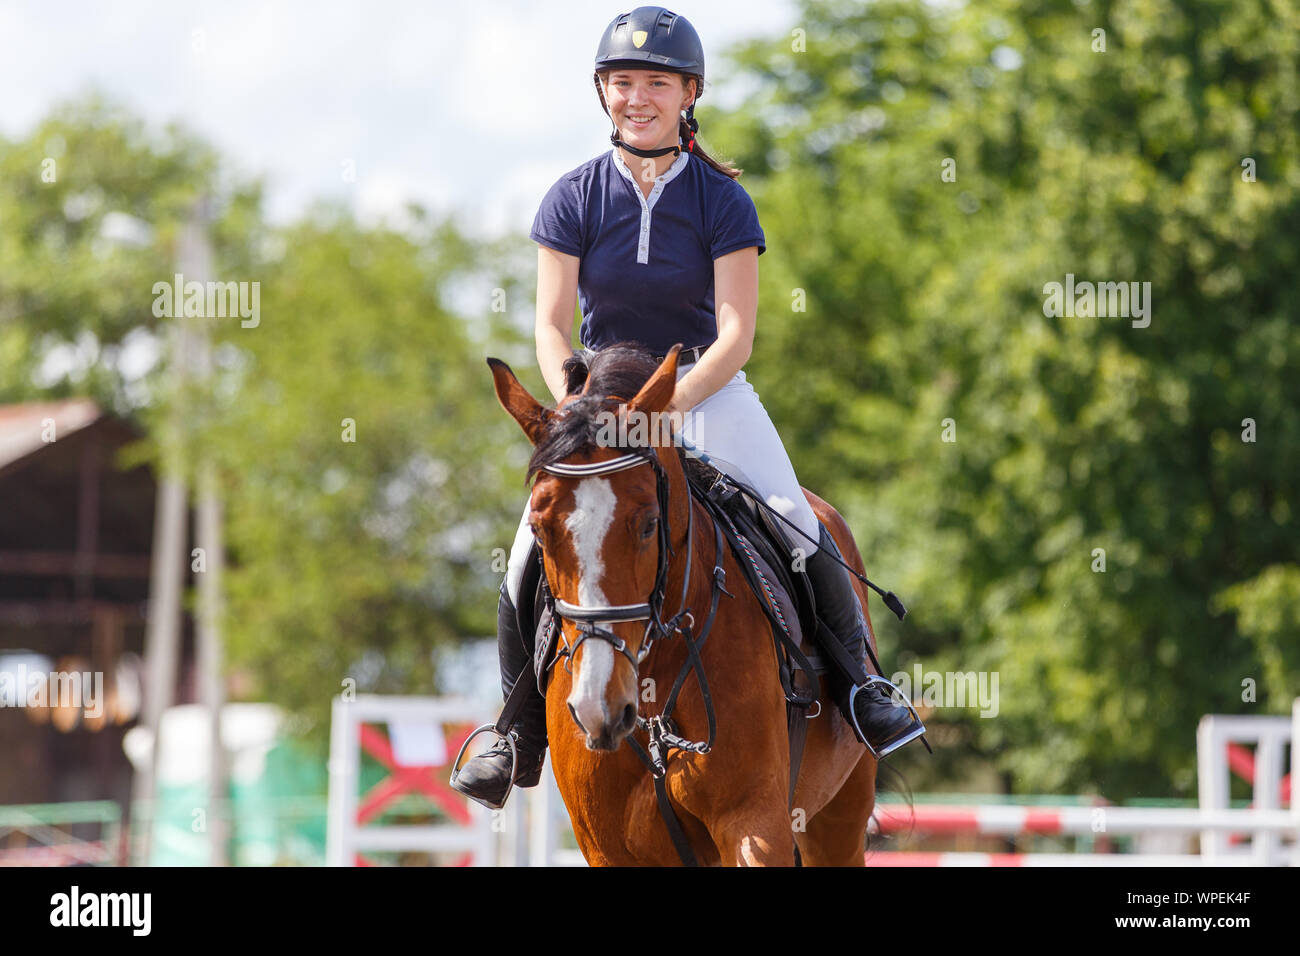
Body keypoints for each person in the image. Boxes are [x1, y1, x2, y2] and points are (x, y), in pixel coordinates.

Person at [452, 5, 925, 811]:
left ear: (688, 93)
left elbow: (737, 334)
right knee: (531, 550)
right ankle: (515, 730)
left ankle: (862, 692)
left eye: (657, 83)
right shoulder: (571, 196)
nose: (639, 97)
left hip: (705, 390)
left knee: (797, 521)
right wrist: (579, 405)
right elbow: (549, 323)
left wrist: (669, 408)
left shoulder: (721, 200)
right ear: (603, 93)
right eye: (623, 82)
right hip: (601, 398)